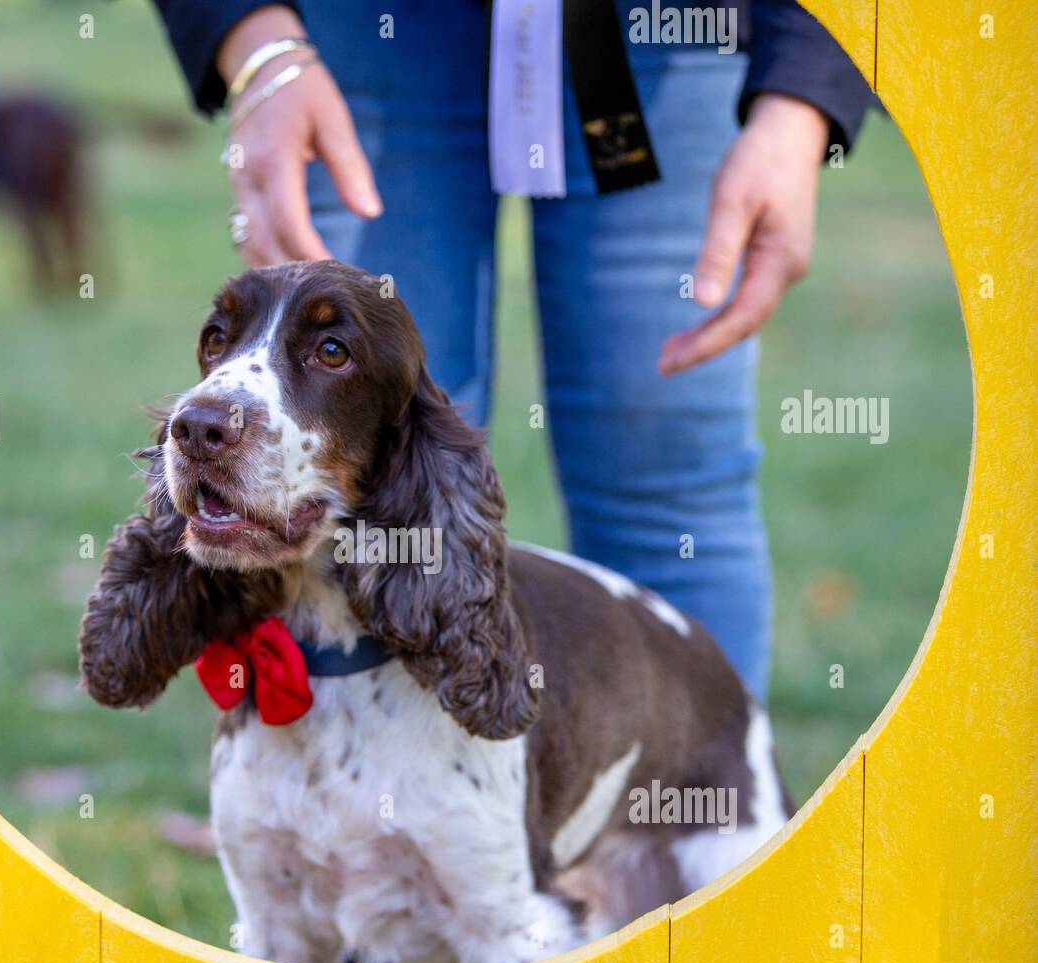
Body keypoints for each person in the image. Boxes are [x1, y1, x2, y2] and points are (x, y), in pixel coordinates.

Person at [150, 1, 874, 700]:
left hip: (662, 24)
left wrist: (802, 92)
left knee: (665, 471)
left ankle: (714, 814)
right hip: (359, 22)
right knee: (343, 476)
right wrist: (260, 46)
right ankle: (325, 819)